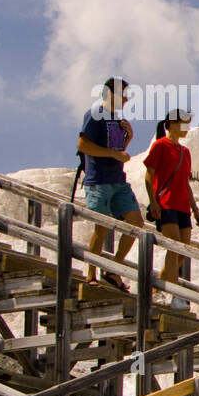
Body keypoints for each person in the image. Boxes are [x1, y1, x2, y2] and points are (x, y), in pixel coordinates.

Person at [77, 77, 144, 290]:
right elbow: (83, 144)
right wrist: (114, 155)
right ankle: (91, 273)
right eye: (123, 95)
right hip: (99, 180)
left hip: (117, 179)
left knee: (136, 222)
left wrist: (129, 138)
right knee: (102, 227)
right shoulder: (95, 115)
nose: (126, 99)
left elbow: (116, 151)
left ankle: (113, 269)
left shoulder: (116, 119)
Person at [143, 109, 199, 312]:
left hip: (182, 208)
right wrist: (153, 203)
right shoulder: (160, 146)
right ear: (172, 123)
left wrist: (196, 212)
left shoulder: (185, 152)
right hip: (166, 204)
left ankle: (157, 291)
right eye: (184, 123)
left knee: (182, 253)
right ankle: (173, 295)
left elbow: (186, 185)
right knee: (174, 248)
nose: (187, 128)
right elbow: (148, 176)